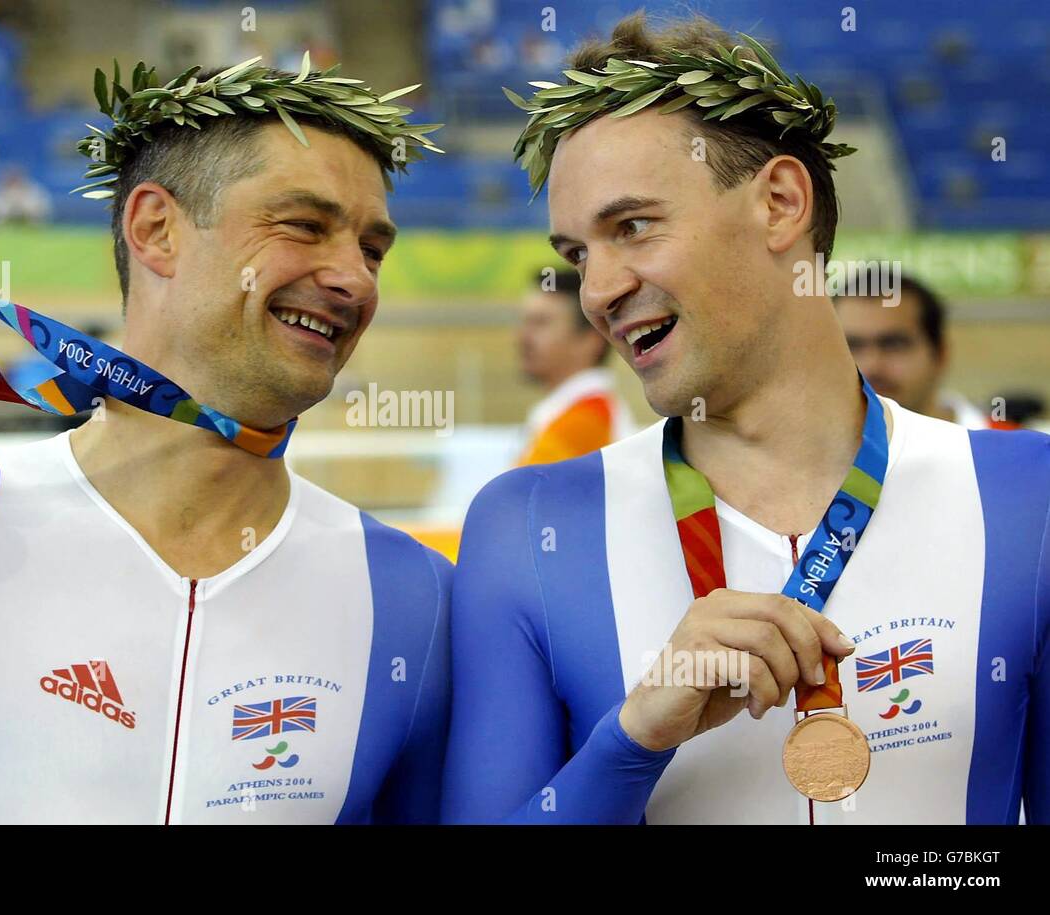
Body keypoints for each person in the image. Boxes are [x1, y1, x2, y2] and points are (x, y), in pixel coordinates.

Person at [0, 59, 450, 824]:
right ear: (155, 229)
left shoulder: (417, 599)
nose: (354, 278)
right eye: (305, 226)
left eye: (373, 249)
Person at [443, 13, 1048, 824]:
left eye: (633, 226)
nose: (597, 291)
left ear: (780, 203)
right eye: (578, 253)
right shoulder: (527, 528)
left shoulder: (1027, 496)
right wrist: (630, 741)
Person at [835, 274, 1014, 429]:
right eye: (852, 346)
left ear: (940, 354)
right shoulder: (811, 458)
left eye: (894, 345)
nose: (871, 366)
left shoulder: (1017, 455)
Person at [517, 267, 637, 466]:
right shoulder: (574, 411)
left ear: (591, 340)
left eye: (541, 323)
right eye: (525, 322)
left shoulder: (585, 421)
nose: (523, 337)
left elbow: (524, 497)